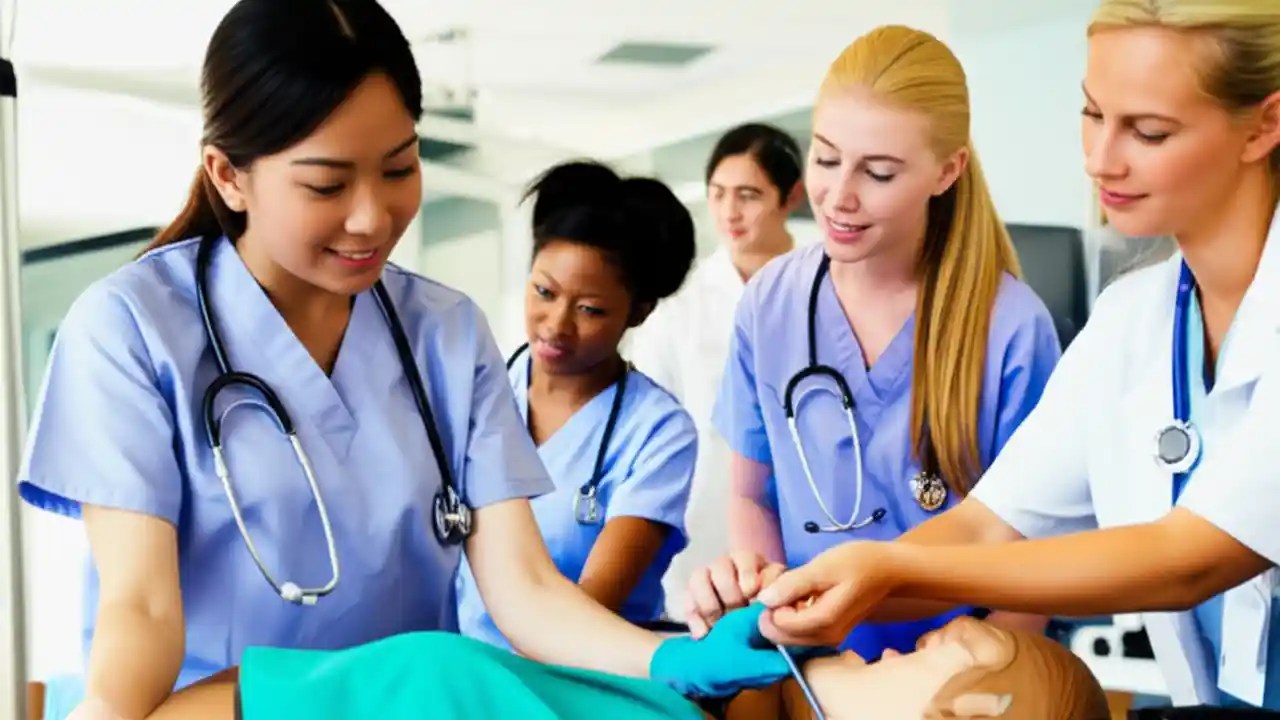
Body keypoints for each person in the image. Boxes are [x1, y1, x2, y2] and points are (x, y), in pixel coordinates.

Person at [15, 2, 808, 719]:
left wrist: (668, 658)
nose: (372, 217)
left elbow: (524, 590)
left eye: (399, 168)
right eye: (327, 184)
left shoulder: (445, 333)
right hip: (225, 708)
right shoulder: (131, 331)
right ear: (230, 175)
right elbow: (141, 612)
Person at [709, 0, 1280, 711]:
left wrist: (882, 576)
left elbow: (1191, 560)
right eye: (1093, 115)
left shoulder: (1014, 324)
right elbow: (988, 524)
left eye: (1149, 131)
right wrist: (807, 594)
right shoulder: (1130, 323)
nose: (1100, 159)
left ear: (1265, 124)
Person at [682, 23, 1063, 660]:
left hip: (953, 682)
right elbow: (753, 494)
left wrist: (967, 685)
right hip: (808, 673)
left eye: (879, 173)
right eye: (826, 159)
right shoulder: (771, 305)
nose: (839, 197)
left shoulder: (1011, 329)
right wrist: (767, 603)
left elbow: (1040, 557)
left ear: (947, 172)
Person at [456, 161, 698, 648]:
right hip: (458, 675)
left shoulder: (657, 433)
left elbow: (589, 611)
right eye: (544, 291)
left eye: (590, 309)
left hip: (575, 682)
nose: (556, 325)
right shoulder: (471, 392)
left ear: (640, 311)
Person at [74, 608, 1110, 720]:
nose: (914, 639)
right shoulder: (771, 683)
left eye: (937, 649)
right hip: (426, 682)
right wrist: (710, 653)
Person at [628, 123, 805, 623]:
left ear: (790, 195)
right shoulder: (679, 306)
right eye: (718, 194)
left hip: (808, 528)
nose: (730, 212)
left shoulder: (826, 286)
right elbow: (646, 424)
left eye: (748, 195)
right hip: (701, 539)